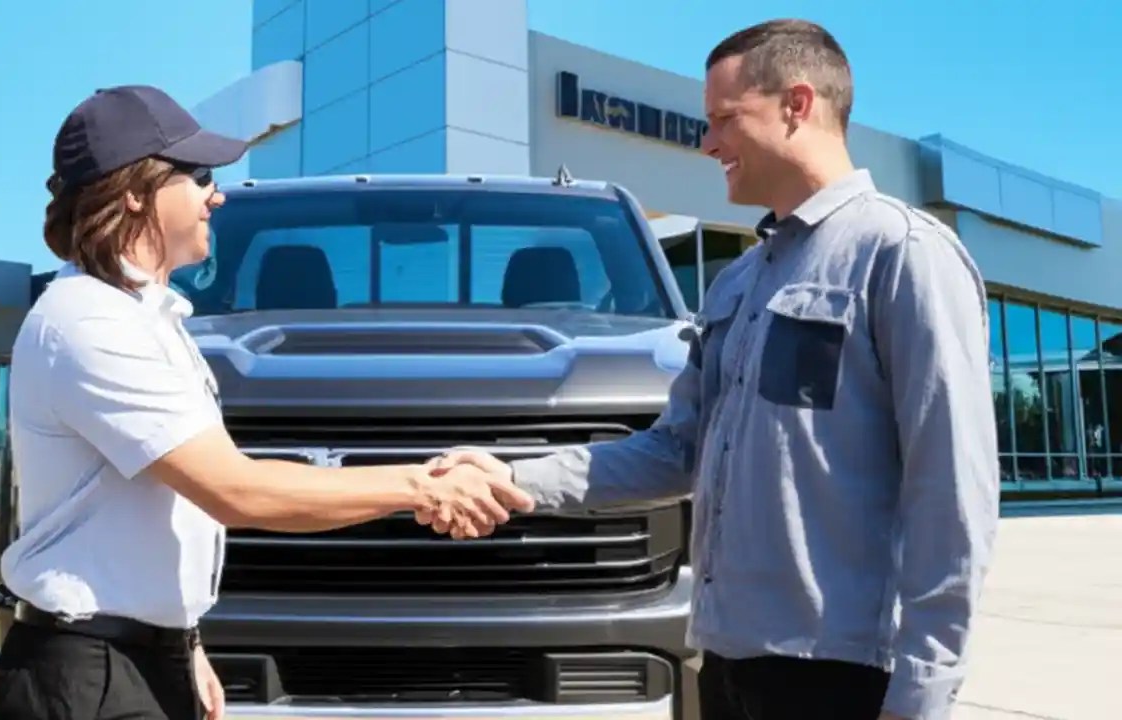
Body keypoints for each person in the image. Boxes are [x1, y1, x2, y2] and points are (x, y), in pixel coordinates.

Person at [428, 19, 1000, 720]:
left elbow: (952, 495)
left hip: (841, 674)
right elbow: (675, 450)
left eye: (725, 119)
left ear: (797, 105)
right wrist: (513, 477)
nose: (708, 143)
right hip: (725, 662)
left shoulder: (904, 256)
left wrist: (922, 696)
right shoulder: (736, 285)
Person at [0, 85, 534, 720]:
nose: (215, 193)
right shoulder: (88, 322)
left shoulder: (146, 319)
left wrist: (181, 638)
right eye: (198, 176)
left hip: (134, 655)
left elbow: (152, 519)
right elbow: (236, 493)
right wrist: (422, 485)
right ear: (134, 191)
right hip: (89, 678)